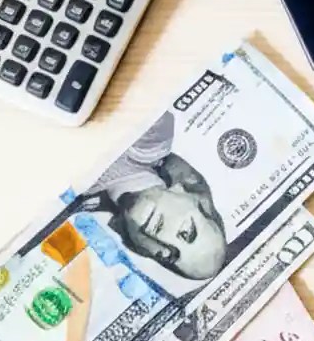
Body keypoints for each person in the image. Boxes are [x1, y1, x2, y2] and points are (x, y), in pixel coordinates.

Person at [78, 113, 233, 282]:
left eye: (168, 257)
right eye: (187, 232)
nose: (165, 242)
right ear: (184, 192)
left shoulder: (78, 201)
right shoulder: (152, 140)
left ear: (140, 250)